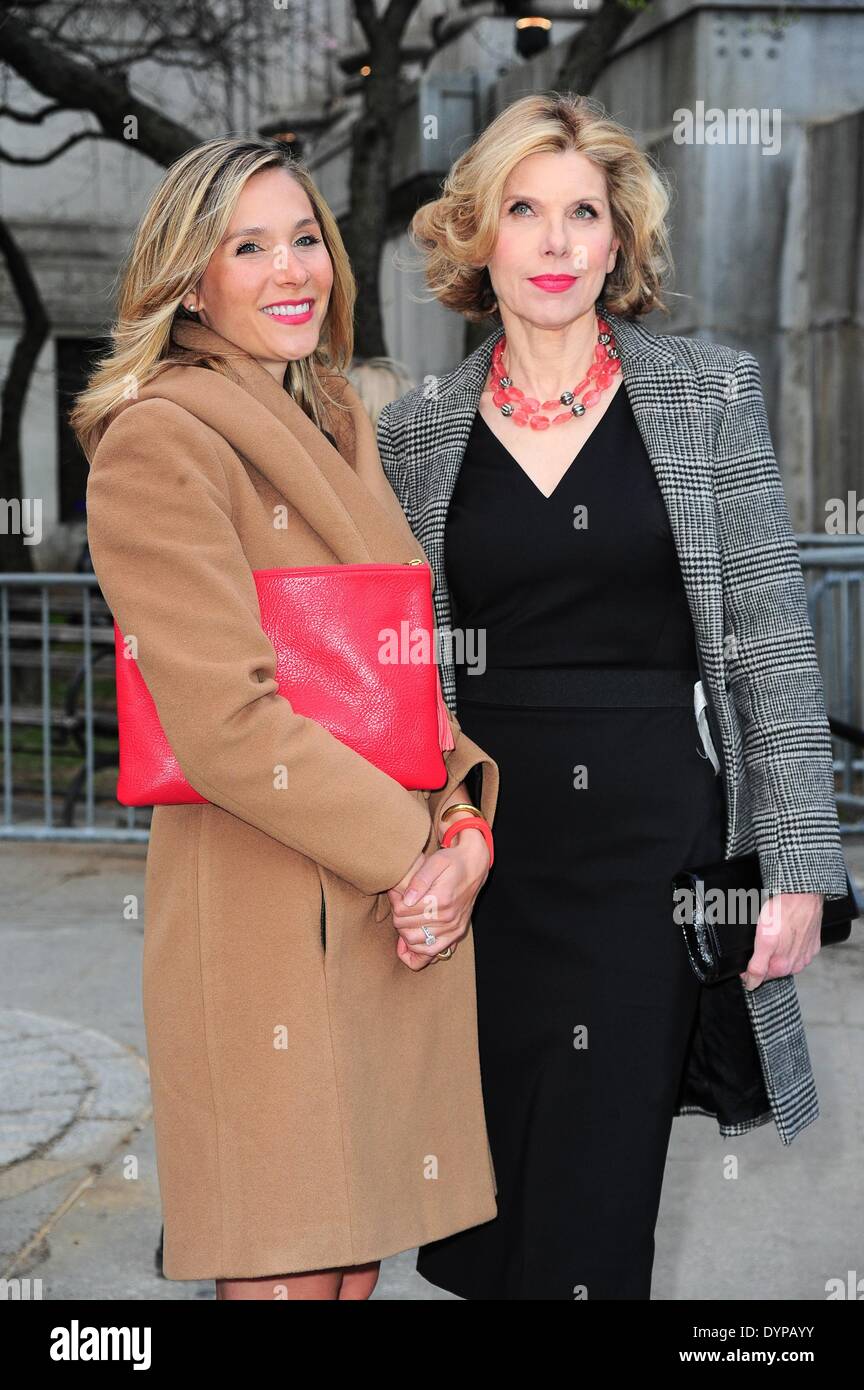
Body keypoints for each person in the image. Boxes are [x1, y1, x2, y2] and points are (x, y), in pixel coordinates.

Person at [377, 92, 849, 1301]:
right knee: (495, 1214)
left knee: (596, 1209)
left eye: (581, 212)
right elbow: (401, 662)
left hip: (653, 850)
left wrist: (798, 868)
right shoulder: (417, 430)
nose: (553, 240)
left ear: (618, 239)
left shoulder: (706, 394)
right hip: (485, 842)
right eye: (524, 210)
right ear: (479, 236)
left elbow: (766, 642)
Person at [72, 136, 500, 1300]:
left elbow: (400, 674)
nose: (289, 267)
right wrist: (417, 849)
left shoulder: (335, 423)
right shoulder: (162, 437)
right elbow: (224, 724)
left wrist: (466, 828)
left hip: (372, 908)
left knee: (348, 1270)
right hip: (260, 916)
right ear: (188, 281)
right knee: (284, 1273)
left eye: (303, 236)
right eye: (246, 246)